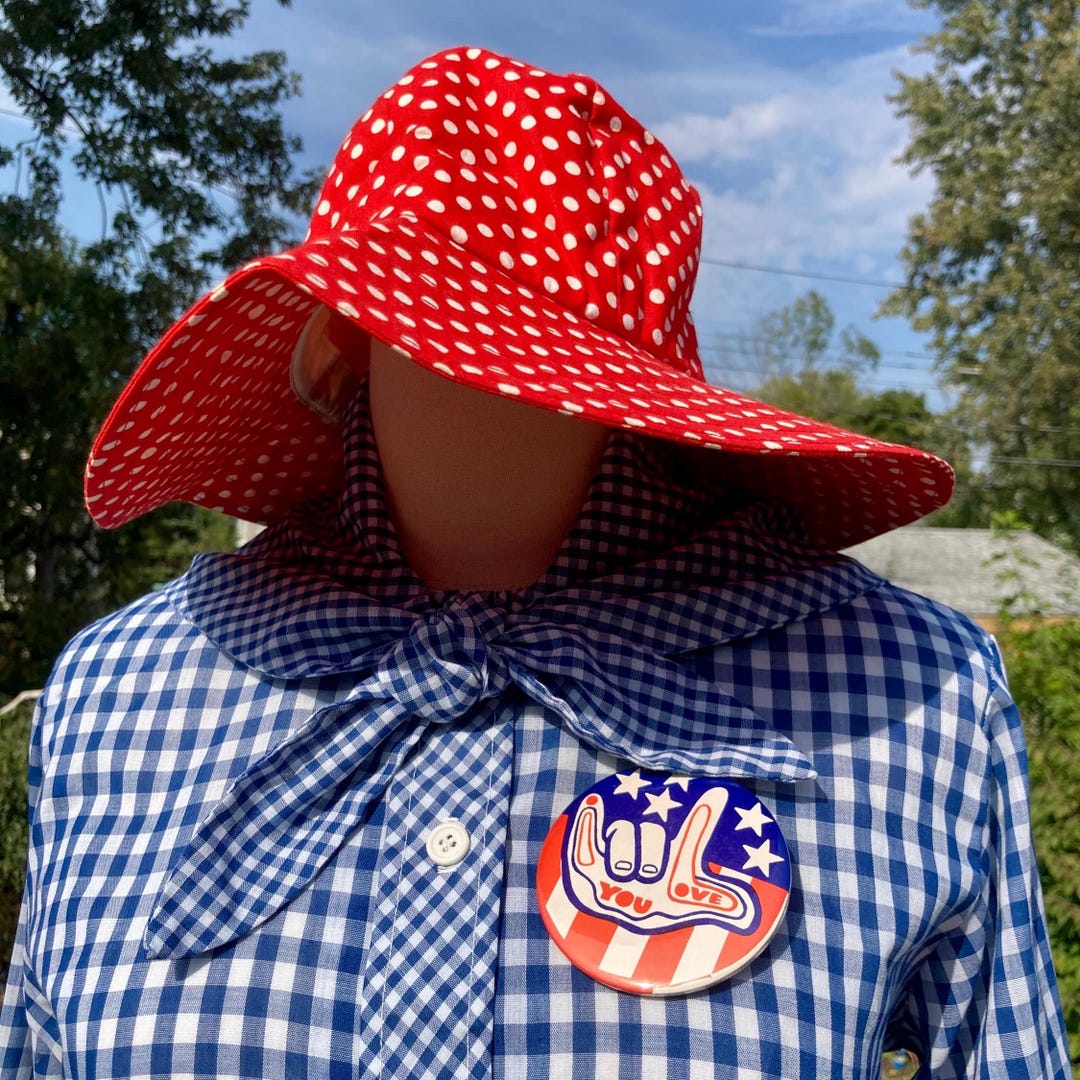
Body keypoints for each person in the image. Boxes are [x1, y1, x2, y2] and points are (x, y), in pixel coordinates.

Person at [0, 44, 1068, 1080]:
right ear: (335, 347)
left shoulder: (914, 702)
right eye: (441, 332)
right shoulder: (114, 697)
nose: (489, 392)